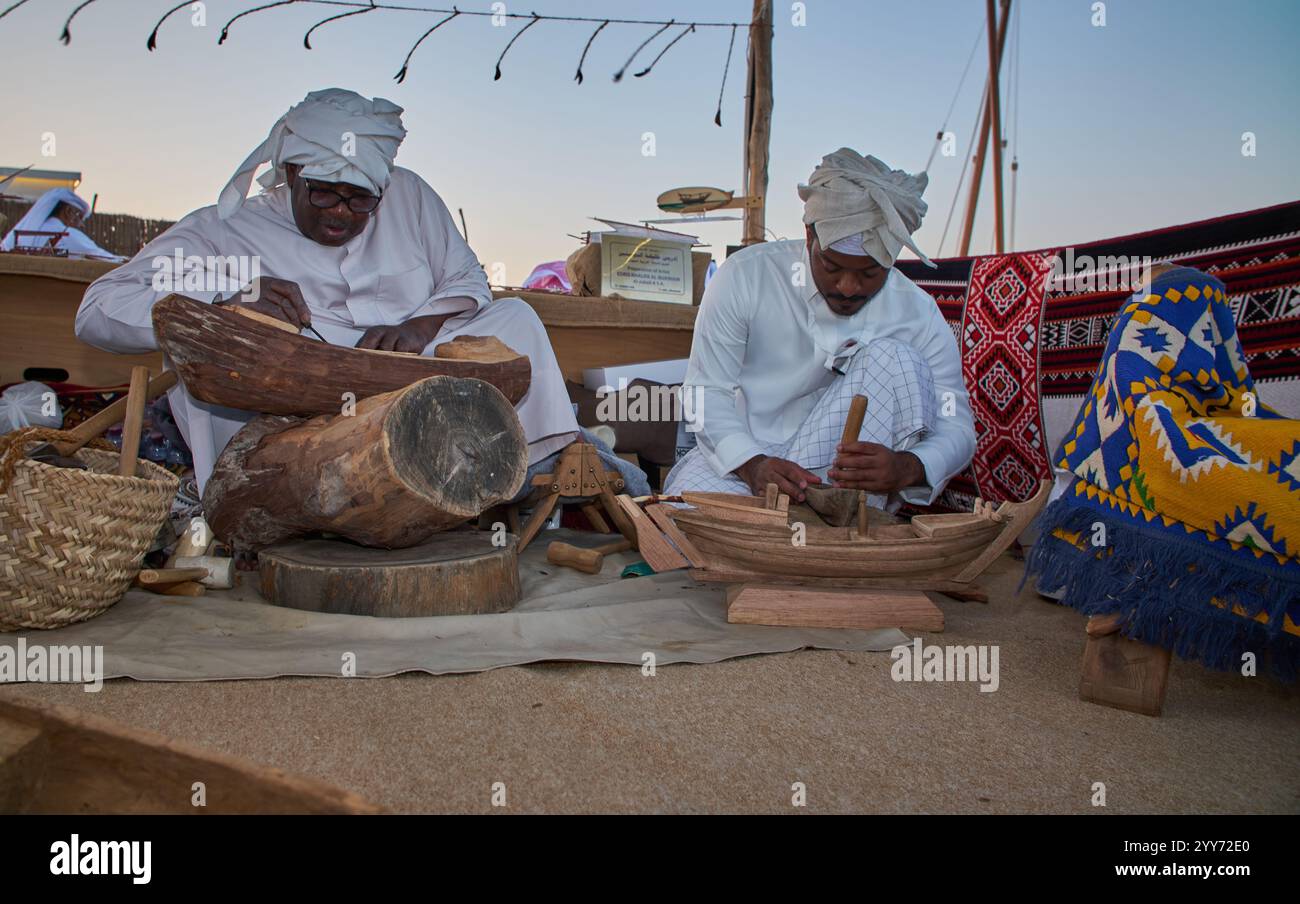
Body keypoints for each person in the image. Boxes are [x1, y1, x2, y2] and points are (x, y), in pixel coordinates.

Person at [76, 88, 578, 492]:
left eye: (360, 200)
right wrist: (223, 307)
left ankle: (504, 476)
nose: (341, 212)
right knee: (205, 352)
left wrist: (418, 325)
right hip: (295, 393)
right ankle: (269, 497)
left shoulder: (410, 196)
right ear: (292, 173)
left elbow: (467, 278)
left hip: (412, 372)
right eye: (324, 194)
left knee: (517, 318)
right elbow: (98, 308)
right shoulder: (224, 231)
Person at [664, 148, 975, 511]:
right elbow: (705, 391)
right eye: (831, 265)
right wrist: (752, 466)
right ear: (809, 234)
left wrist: (907, 467)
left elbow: (957, 427)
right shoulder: (746, 276)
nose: (847, 287)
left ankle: (833, 532)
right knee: (681, 524)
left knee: (894, 358)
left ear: (891, 260)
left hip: (843, 478)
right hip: (746, 460)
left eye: (869, 273)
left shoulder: (917, 311)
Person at [0, 187, 123, 260]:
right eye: (79, 217)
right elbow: (104, 258)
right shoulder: (67, 235)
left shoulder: (20, 235)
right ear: (68, 211)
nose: (81, 225)